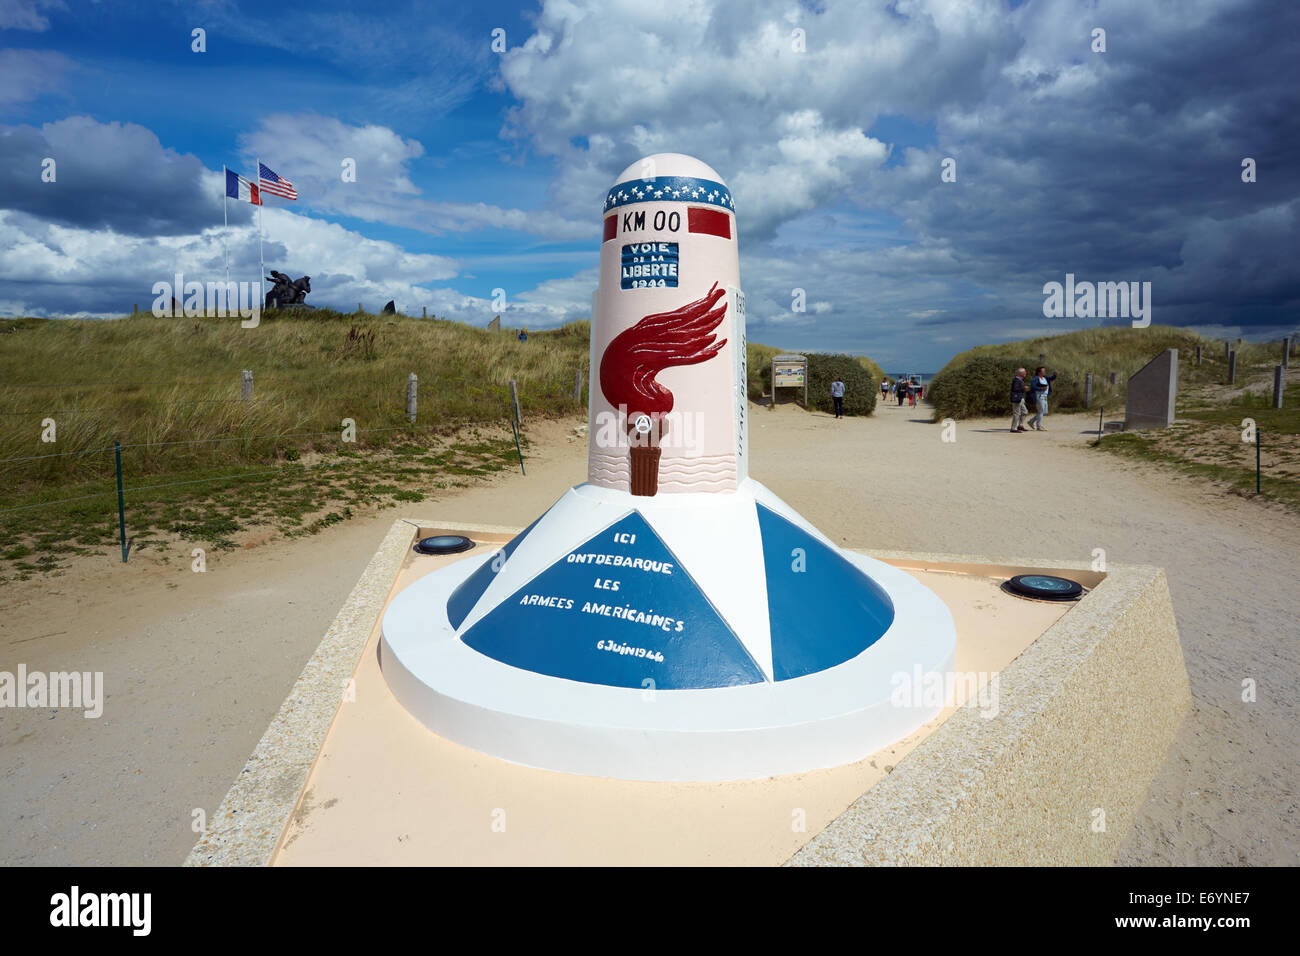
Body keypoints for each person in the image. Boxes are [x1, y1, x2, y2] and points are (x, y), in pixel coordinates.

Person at [1026, 365, 1057, 431]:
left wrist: (1055, 375)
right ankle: (1039, 426)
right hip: (1039, 396)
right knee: (1041, 411)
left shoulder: (1044, 377)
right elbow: (1033, 387)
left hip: (1045, 396)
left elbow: (1051, 378)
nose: (1044, 372)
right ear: (1039, 372)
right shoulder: (1036, 378)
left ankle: (1031, 421)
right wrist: (1041, 388)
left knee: (1044, 412)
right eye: (1043, 371)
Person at [1010, 368, 1029, 432]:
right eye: (1024, 372)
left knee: (1025, 412)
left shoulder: (1020, 379)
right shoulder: (1016, 380)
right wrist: (1024, 388)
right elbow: (1015, 389)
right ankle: (1013, 428)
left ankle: (1020, 425)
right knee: (1016, 413)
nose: (1025, 373)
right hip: (1017, 399)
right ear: (1020, 373)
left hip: (1020, 399)